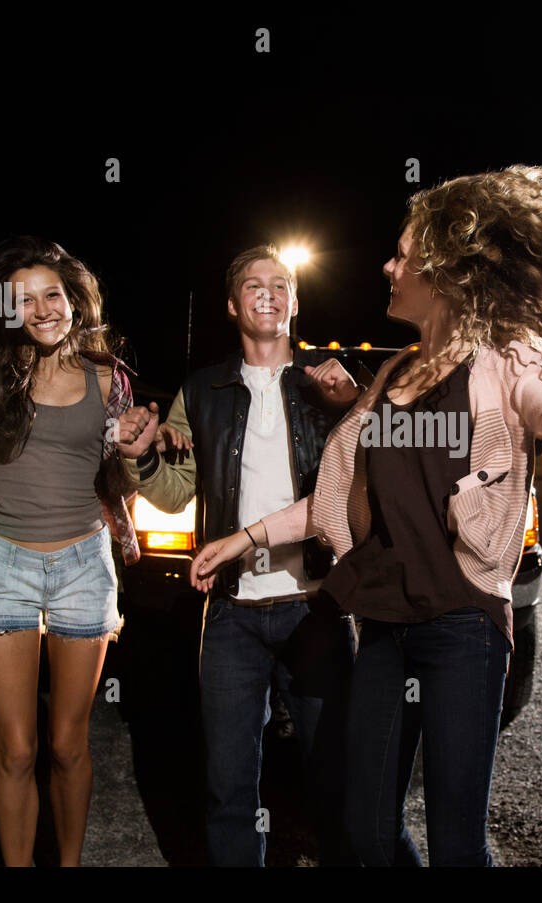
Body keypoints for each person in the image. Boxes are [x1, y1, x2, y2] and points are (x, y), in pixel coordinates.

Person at [191, 98, 542, 865]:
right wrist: (240, 538)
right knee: (368, 829)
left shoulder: (505, 361)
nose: (388, 265)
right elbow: (332, 496)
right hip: (381, 625)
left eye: (403, 255)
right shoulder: (392, 380)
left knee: (457, 841)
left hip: (462, 625)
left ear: (443, 270)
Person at [0, 83, 156, 866]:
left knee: (67, 746)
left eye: (52, 293)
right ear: (8, 310)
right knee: (16, 749)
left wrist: (139, 452)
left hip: (85, 568)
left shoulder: (109, 378)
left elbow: (129, 478)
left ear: (73, 298)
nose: (41, 307)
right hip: (4, 567)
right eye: (23, 299)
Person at [117, 246, 360, 866]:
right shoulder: (201, 390)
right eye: (253, 285)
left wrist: (351, 407)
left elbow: (362, 483)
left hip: (316, 606)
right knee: (228, 788)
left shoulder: (326, 382)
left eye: (281, 284)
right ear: (232, 305)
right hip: (232, 614)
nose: (268, 293)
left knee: (334, 781)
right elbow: (174, 494)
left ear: (294, 301)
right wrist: (139, 456)